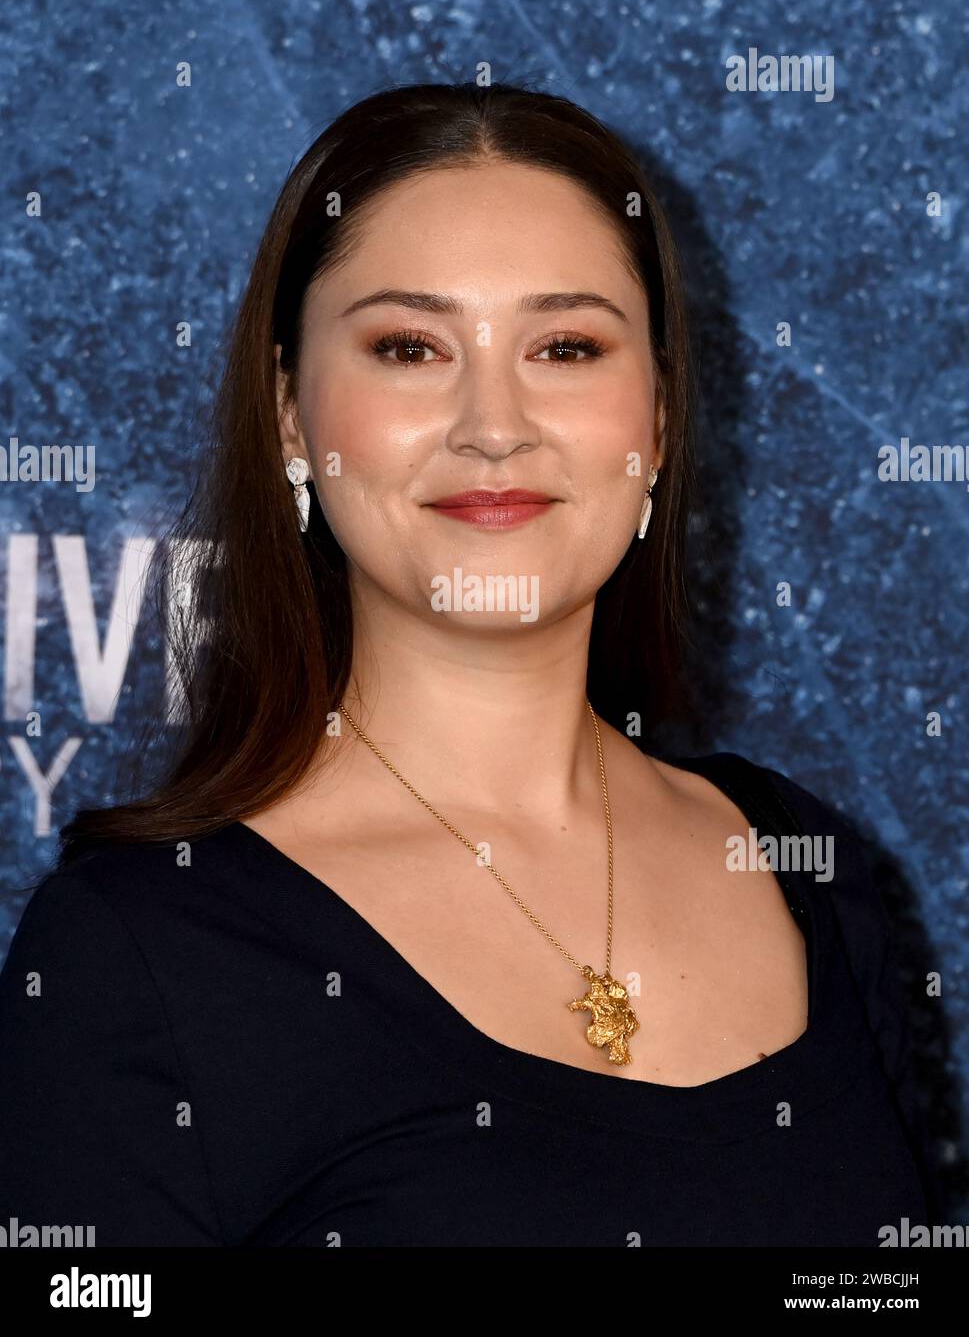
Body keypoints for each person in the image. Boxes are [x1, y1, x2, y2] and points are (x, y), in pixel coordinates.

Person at [0, 82, 939, 1246]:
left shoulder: (818, 882)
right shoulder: (134, 958)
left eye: (565, 345)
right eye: (409, 346)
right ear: (291, 414)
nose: (493, 423)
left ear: (656, 411)